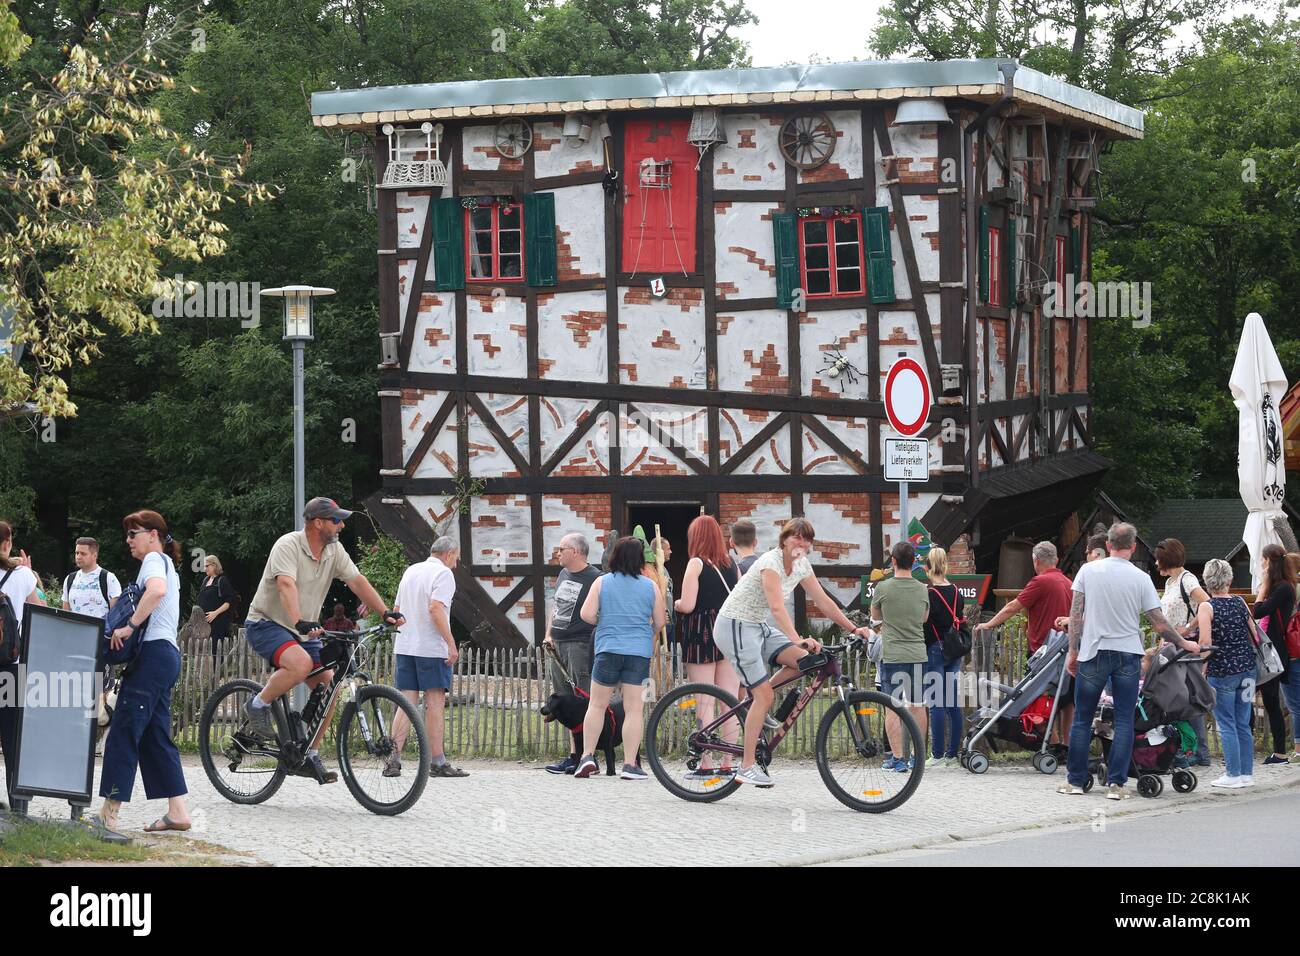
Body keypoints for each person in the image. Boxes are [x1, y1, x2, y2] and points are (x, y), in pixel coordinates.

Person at [241, 497, 402, 784]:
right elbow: (285, 585)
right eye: (336, 520)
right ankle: (258, 704)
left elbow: (357, 581)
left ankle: (309, 753)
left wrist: (385, 612)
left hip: (305, 631)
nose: (341, 525)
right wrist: (299, 620)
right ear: (317, 522)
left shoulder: (334, 550)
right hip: (267, 623)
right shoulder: (288, 545)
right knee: (301, 664)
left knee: (330, 684)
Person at [713, 517, 872, 787]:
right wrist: (797, 639)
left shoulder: (801, 564)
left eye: (807, 539)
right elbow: (777, 607)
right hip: (735, 625)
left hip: (757, 627)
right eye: (796, 537)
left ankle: (758, 702)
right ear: (784, 540)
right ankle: (747, 765)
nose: (802, 543)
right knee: (764, 694)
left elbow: (823, 602)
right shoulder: (770, 564)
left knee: (805, 662)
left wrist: (854, 629)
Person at [1057, 522, 1198, 800]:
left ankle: (1074, 781)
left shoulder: (1087, 571)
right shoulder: (1141, 578)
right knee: (1124, 720)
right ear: (1133, 547)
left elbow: (1075, 616)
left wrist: (1073, 652)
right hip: (1127, 655)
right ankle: (1117, 784)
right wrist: (1183, 642)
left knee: (1083, 718)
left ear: (1108, 545)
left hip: (1094, 653)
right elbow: (1158, 623)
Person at [95, 510, 192, 834]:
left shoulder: (154, 560)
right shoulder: (165, 564)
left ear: (153, 534)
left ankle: (108, 815)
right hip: (165, 657)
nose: (128, 541)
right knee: (155, 735)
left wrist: (130, 625)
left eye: (132, 534)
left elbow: (156, 591)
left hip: (152, 656)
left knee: (123, 730)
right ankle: (178, 812)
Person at [575, 536, 665, 779]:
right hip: (638, 654)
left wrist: (604, 621)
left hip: (607, 649)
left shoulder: (602, 582)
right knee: (634, 709)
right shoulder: (650, 586)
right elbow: (660, 622)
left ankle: (587, 757)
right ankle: (629, 765)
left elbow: (586, 614)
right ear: (639, 560)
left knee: (597, 704)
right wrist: (645, 630)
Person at [977, 541, 1075, 744]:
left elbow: (1013, 606)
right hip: (1067, 649)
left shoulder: (1040, 582)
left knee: (1043, 698)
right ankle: (1068, 745)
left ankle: (1052, 744)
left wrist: (989, 624)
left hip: (1043, 652)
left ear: (1036, 561)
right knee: (1067, 701)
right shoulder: (1068, 582)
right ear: (1056, 559)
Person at [388, 536, 467, 779]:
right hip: (431, 648)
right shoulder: (443, 575)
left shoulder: (411, 571)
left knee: (405, 703)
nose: (455, 564)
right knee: (435, 704)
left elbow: (396, 610)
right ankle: (438, 761)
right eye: (456, 559)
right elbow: (435, 608)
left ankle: (393, 759)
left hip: (405, 645)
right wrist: (451, 644)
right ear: (449, 554)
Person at [673, 516, 740, 775]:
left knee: (705, 700)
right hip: (729, 631)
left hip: (701, 631)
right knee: (730, 700)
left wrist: (676, 604)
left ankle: (706, 762)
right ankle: (728, 762)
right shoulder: (733, 565)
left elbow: (688, 605)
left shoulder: (695, 564)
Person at [542, 532, 601, 774]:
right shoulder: (563, 574)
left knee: (584, 698)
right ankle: (573, 755)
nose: (557, 553)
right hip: (558, 643)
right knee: (565, 700)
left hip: (580, 644)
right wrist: (548, 634)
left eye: (561, 549)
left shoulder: (596, 578)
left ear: (575, 551)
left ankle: (589, 754)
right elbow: (555, 605)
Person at [1198, 558, 1259, 788]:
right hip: (1248, 672)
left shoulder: (1207, 607)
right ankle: (1246, 774)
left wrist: (1198, 664)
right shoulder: (1241, 602)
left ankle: (1232, 775)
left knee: (1226, 723)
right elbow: (1253, 633)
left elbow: (1205, 642)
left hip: (1222, 673)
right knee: (1243, 722)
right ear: (1230, 579)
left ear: (1207, 581)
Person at [872, 541, 930, 772]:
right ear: (914, 561)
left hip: (893, 653)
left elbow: (875, 617)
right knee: (918, 705)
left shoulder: (883, 588)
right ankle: (918, 756)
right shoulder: (922, 588)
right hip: (917, 652)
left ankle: (897, 759)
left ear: (893, 561)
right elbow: (924, 618)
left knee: (892, 707)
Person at [1153, 538, 1212, 767]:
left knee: (1188, 697)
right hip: (1171, 647)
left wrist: (1189, 628)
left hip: (1186, 647)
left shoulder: (1187, 580)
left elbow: (1207, 604)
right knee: (1179, 698)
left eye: (1158, 558)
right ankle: (1189, 748)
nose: (1156, 563)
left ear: (1166, 559)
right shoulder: (1170, 583)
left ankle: (1198, 752)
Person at [0, 521, 44, 809]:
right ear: (8, 544)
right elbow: (40, 608)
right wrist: (31, 575)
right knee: (13, 739)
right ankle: (18, 807)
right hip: (10, 667)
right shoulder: (22, 575)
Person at [1252, 543, 1295, 766]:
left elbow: (1258, 611)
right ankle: (1278, 753)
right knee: (1260, 699)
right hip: (1269, 651)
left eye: (1262, 560)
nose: (1260, 564)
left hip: (1272, 654)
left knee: (1267, 701)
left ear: (1269, 561)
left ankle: (1280, 754)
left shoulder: (1282, 588)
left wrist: (1263, 586)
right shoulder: (1282, 587)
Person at [923, 547, 963, 769]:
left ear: (928, 567)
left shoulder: (930, 594)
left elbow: (925, 623)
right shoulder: (957, 592)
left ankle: (937, 754)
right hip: (953, 649)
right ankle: (952, 755)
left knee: (936, 703)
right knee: (952, 703)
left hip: (935, 649)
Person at [61, 537, 121, 618]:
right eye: (77, 553)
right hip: (74, 629)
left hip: (100, 629)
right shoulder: (69, 579)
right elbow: (65, 614)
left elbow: (116, 615)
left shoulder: (108, 578)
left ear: (94, 555)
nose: (78, 557)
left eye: (83, 553)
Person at [197, 554, 238, 664]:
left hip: (218, 621)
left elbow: (229, 601)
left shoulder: (222, 580)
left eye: (207, 566)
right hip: (205, 621)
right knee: (205, 648)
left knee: (216, 648)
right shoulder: (205, 580)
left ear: (214, 565)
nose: (205, 569)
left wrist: (215, 613)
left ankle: (218, 675)